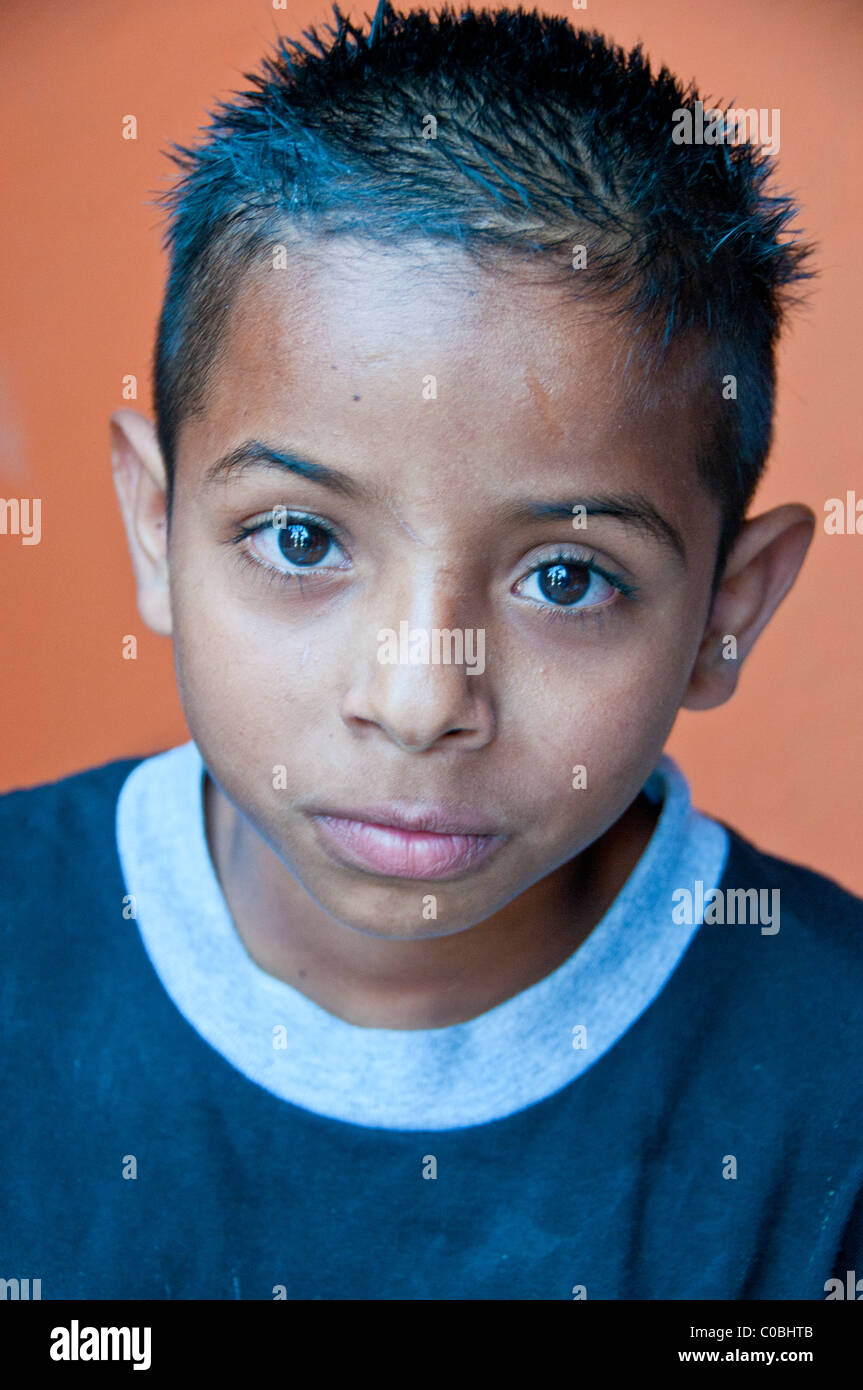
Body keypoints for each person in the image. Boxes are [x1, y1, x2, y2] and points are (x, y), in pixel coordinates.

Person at [2, 3, 861, 1301]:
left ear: (726, 611)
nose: (417, 699)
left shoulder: (832, 1077)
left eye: (565, 577)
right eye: (299, 540)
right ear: (154, 525)